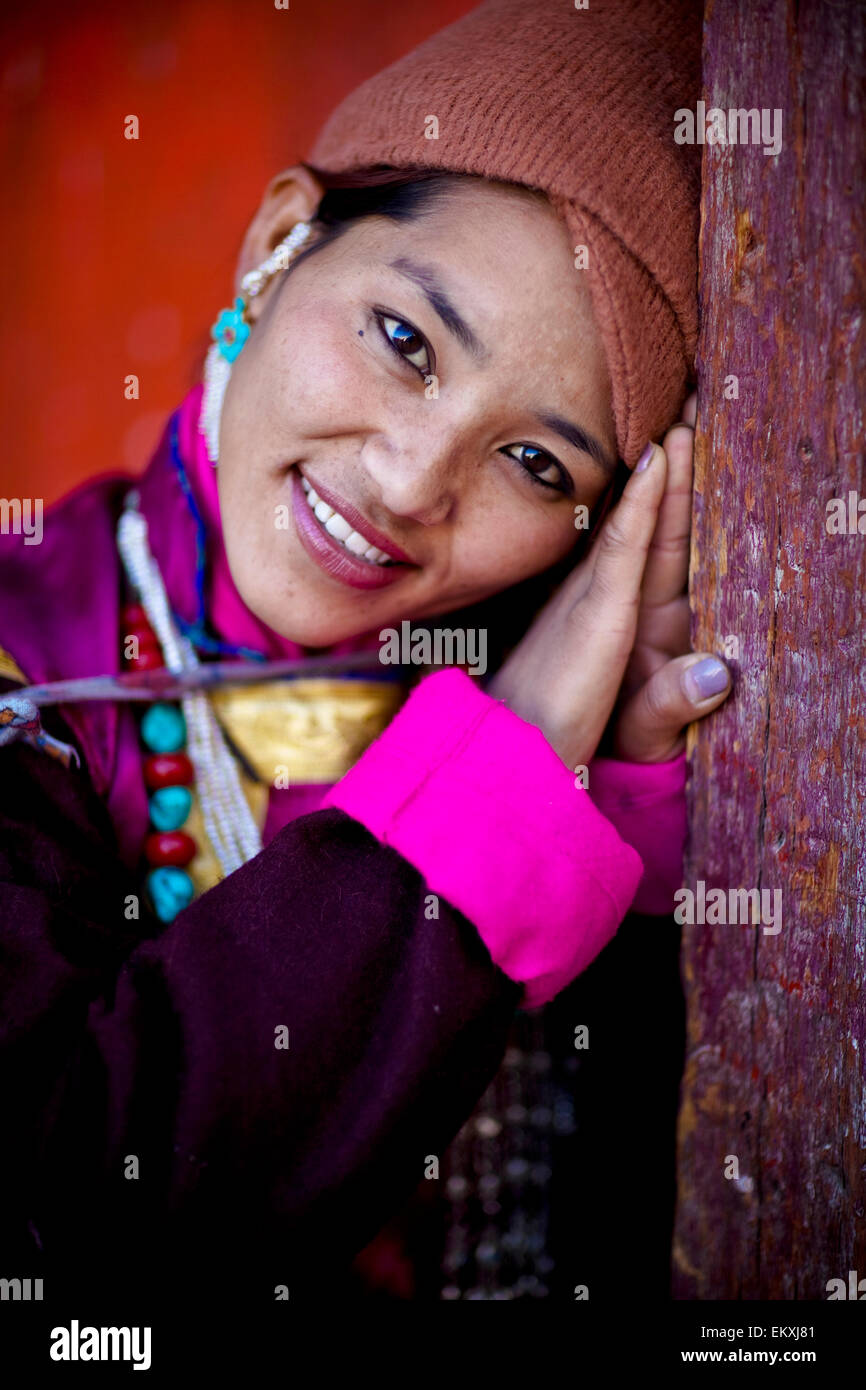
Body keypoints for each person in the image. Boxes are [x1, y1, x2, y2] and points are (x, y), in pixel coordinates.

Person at [0, 0, 729, 1305]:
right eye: (404, 341)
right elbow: (64, 1224)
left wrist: (589, 796)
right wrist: (497, 775)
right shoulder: (25, 657)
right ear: (276, 244)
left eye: (534, 460)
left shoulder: (599, 748)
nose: (406, 482)